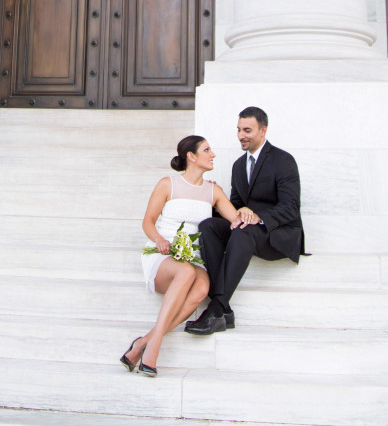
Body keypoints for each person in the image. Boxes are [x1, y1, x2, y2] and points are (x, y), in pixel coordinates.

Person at [121, 134, 240, 377]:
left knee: (202, 288)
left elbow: (235, 218)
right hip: (163, 252)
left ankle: (143, 342)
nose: (213, 154)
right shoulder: (168, 184)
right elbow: (148, 221)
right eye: (207, 150)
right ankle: (154, 348)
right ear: (192, 156)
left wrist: (247, 212)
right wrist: (160, 240)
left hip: (192, 256)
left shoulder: (213, 190)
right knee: (185, 272)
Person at [185, 106, 305, 335]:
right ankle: (225, 309)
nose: (241, 135)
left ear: (263, 130)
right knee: (208, 226)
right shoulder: (239, 165)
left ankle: (216, 309)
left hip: (277, 234)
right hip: (247, 230)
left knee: (244, 231)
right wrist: (235, 210)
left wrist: (257, 216)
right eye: (239, 130)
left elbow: (291, 207)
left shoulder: (283, 160)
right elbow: (236, 203)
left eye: (247, 130)